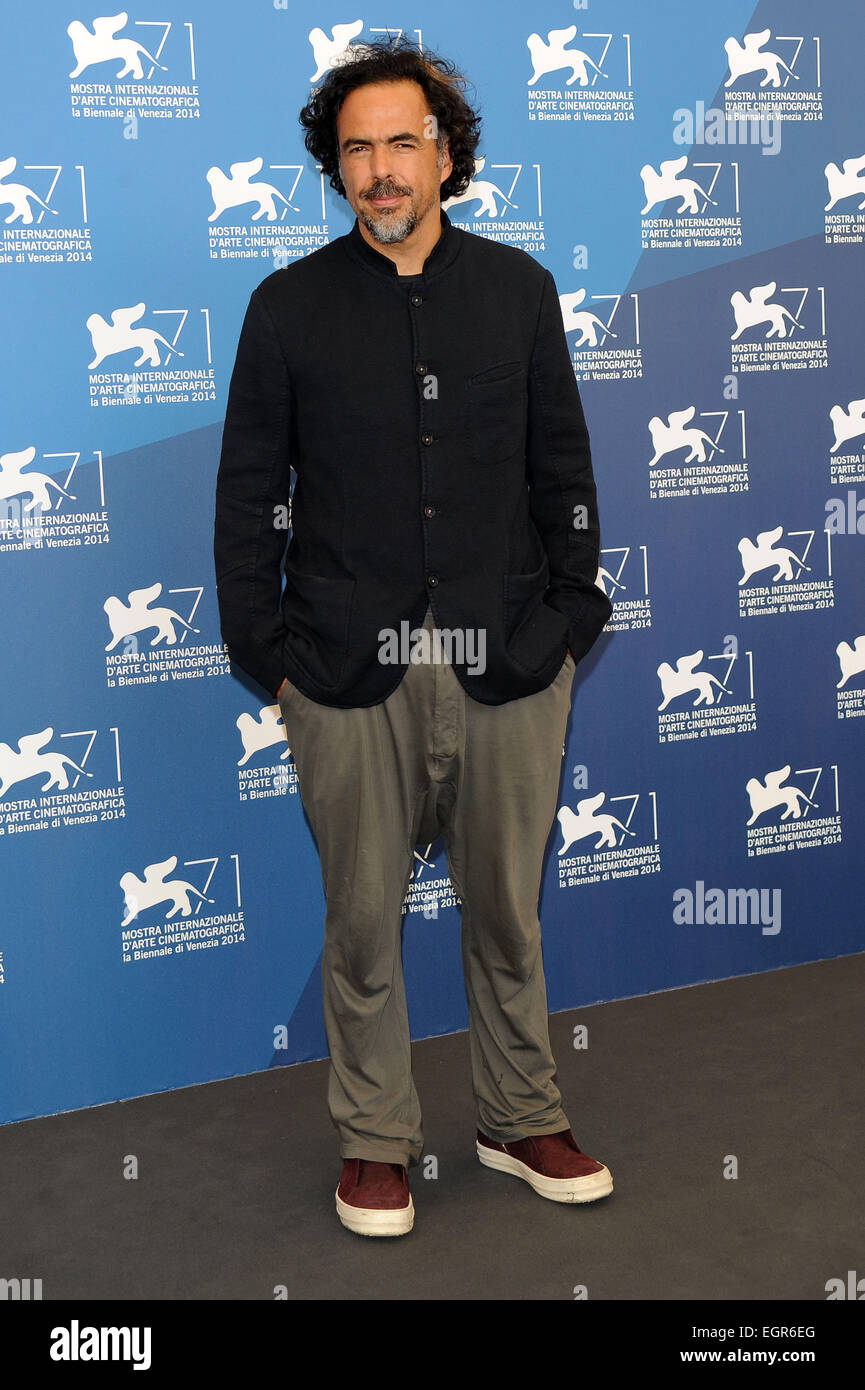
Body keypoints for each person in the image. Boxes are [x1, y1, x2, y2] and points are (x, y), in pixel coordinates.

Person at [213, 36, 614, 1238]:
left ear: (447, 153)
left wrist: (566, 622)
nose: (380, 170)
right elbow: (246, 498)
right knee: (362, 921)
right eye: (355, 150)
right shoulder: (286, 308)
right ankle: (376, 1139)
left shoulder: (517, 291)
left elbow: (565, 475)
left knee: (506, 909)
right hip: (344, 675)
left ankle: (515, 1111)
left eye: (401, 142)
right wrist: (269, 656)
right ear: (333, 170)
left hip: (506, 663)